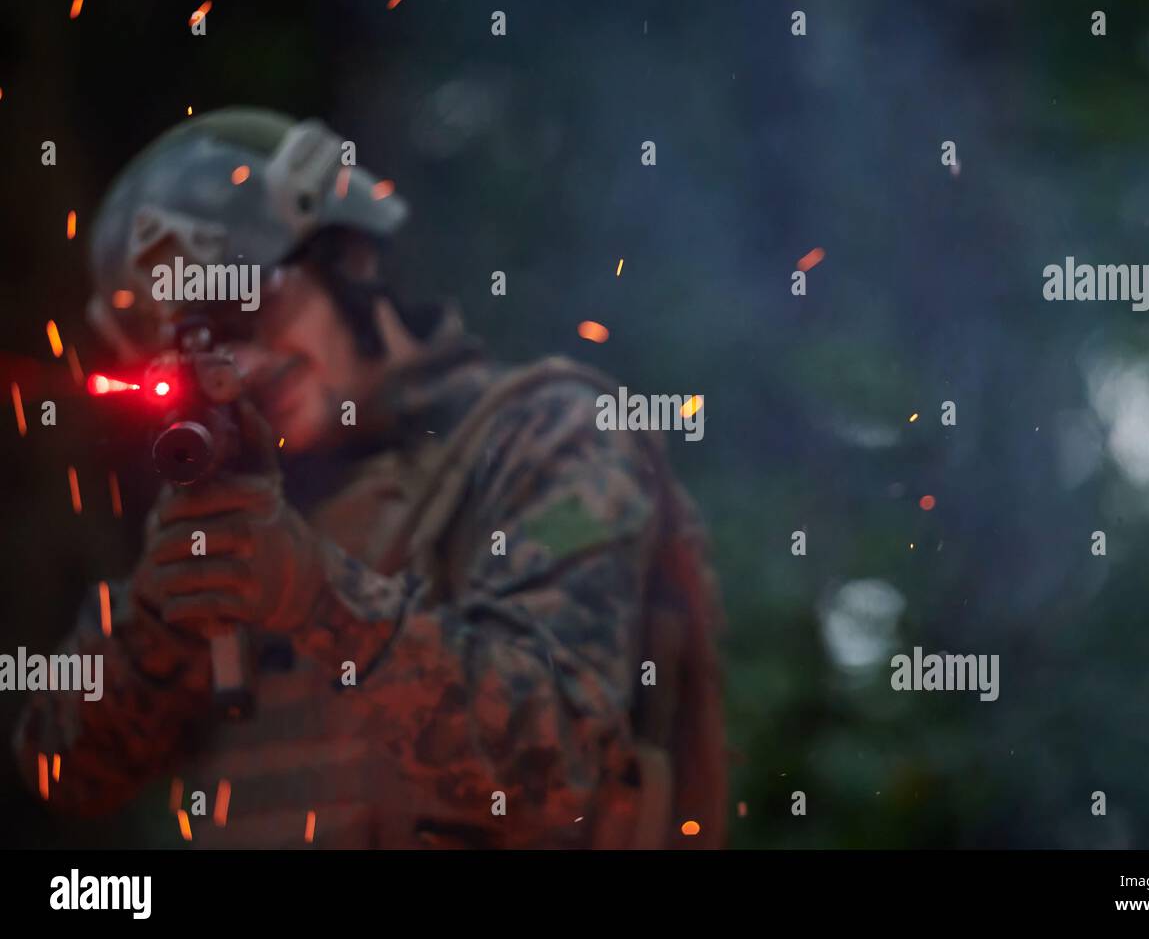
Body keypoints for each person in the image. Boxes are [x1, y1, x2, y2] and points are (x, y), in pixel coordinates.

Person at [12, 108, 727, 848]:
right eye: (195, 343)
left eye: (254, 307)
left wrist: (315, 600)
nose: (243, 362)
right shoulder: (235, 496)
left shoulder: (548, 434)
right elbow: (64, 770)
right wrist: (157, 624)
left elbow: (557, 765)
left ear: (348, 259)